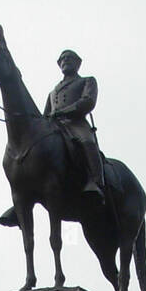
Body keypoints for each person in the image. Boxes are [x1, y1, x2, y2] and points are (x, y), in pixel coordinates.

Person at [44, 50, 105, 198]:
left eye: (70, 58)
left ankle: (96, 182)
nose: (66, 61)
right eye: (63, 59)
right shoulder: (52, 92)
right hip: (55, 126)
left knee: (87, 143)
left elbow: (87, 101)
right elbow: (44, 115)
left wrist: (64, 112)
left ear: (78, 63)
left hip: (76, 123)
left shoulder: (87, 81)